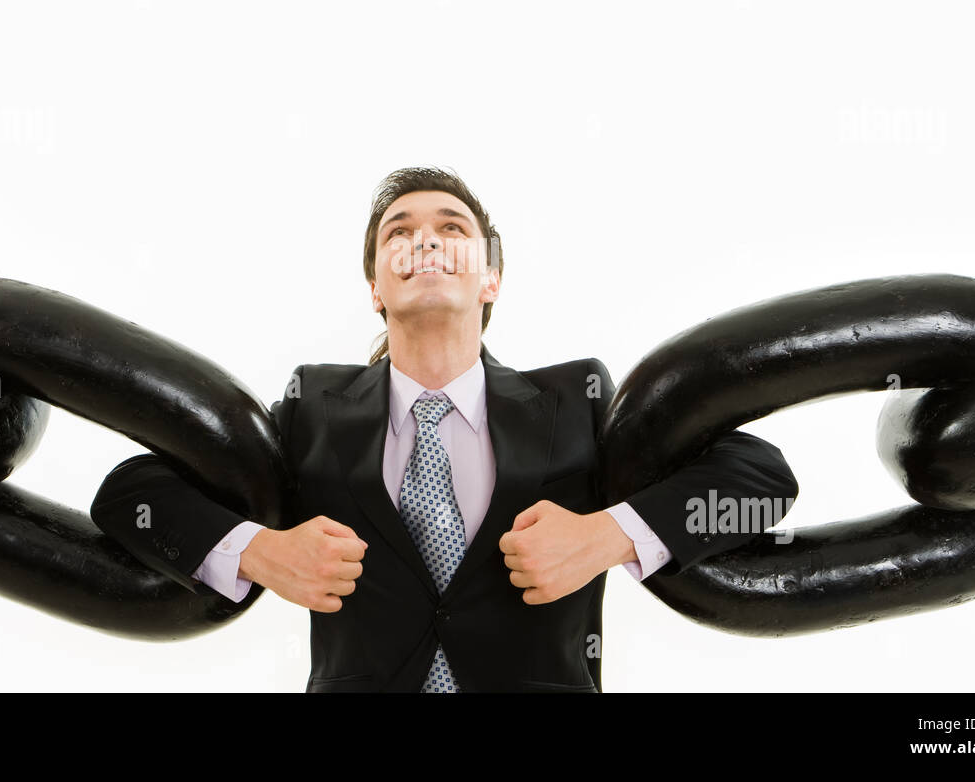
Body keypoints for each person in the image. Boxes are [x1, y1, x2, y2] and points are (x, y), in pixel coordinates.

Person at [91, 167, 798, 692]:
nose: (424, 241)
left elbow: (763, 480)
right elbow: (130, 494)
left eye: (452, 228)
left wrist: (606, 535)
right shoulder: (313, 410)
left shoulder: (576, 400)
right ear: (375, 286)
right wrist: (259, 553)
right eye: (400, 233)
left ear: (490, 278)